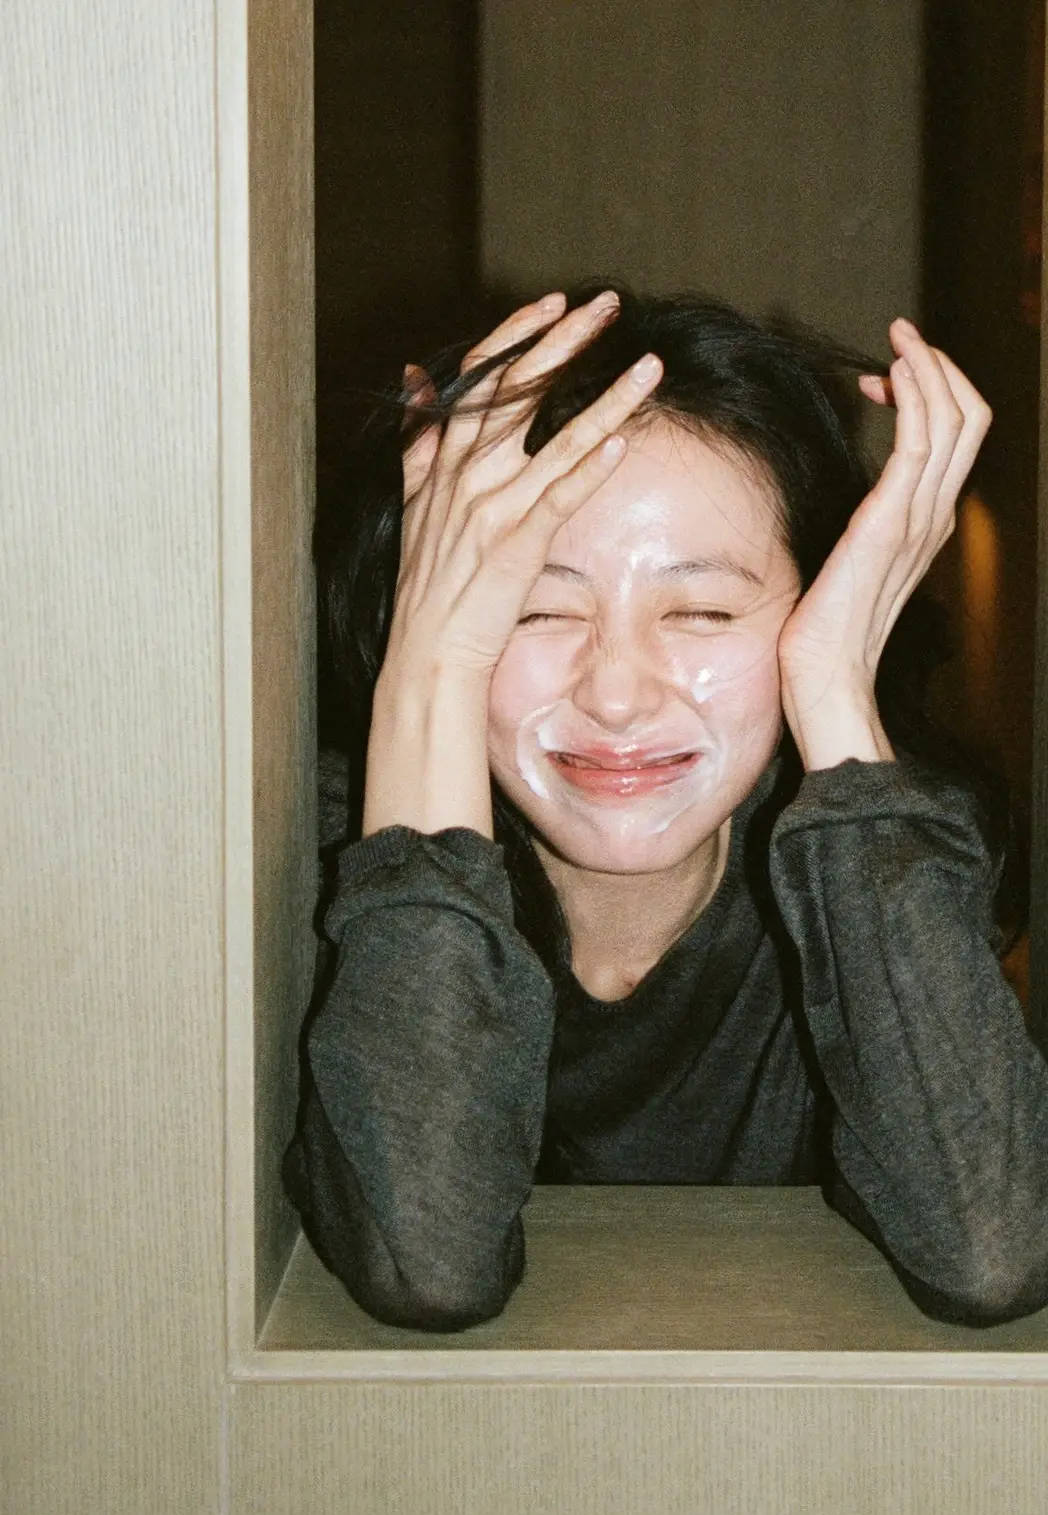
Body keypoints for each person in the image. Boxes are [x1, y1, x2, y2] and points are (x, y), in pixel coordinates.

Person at [284, 283, 1048, 1333]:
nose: (616, 694)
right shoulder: (335, 858)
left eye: (701, 611)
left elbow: (993, 1248)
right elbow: (425, 1259)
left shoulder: (875, 863)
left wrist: (833, 679)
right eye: (535, 609)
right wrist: (431, 666)